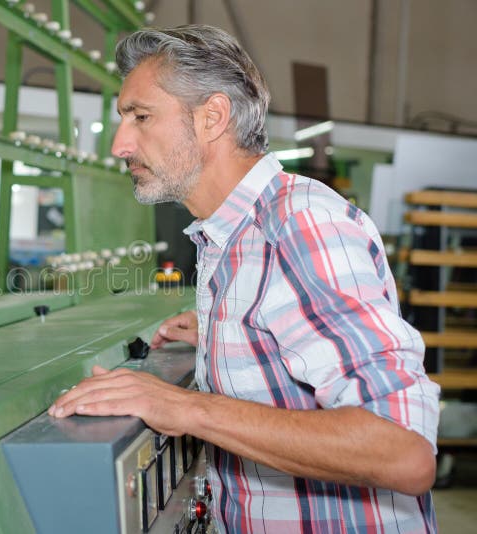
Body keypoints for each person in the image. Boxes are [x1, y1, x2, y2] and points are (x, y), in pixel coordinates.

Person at [49, 25, 439, 532]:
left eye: (140, 117)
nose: (121, 144)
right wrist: (230, 329)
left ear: (212, 117)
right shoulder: (227, 238)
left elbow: (402, 450)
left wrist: (188, 408)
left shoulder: (299, 224)